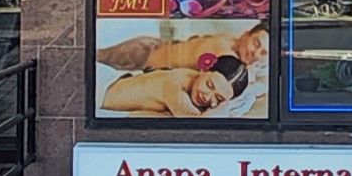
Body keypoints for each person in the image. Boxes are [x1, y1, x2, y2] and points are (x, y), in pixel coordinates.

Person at [99, 56, 247, 119]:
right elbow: (197, 125)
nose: (208, 97)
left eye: (219, 98)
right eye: (209, 85)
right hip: (100, 90)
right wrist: (220, 108)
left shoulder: (193, 78)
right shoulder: (176, 85)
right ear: (204, 69)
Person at [95, 25, 268, 74]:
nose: (256, 53)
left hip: (151, 58)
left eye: (263, 53)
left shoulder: (231, 52)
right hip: (145, 52)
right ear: (246, 34)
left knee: (96, 59)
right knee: (95, 57)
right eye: (257, 44)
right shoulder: (228, 47)